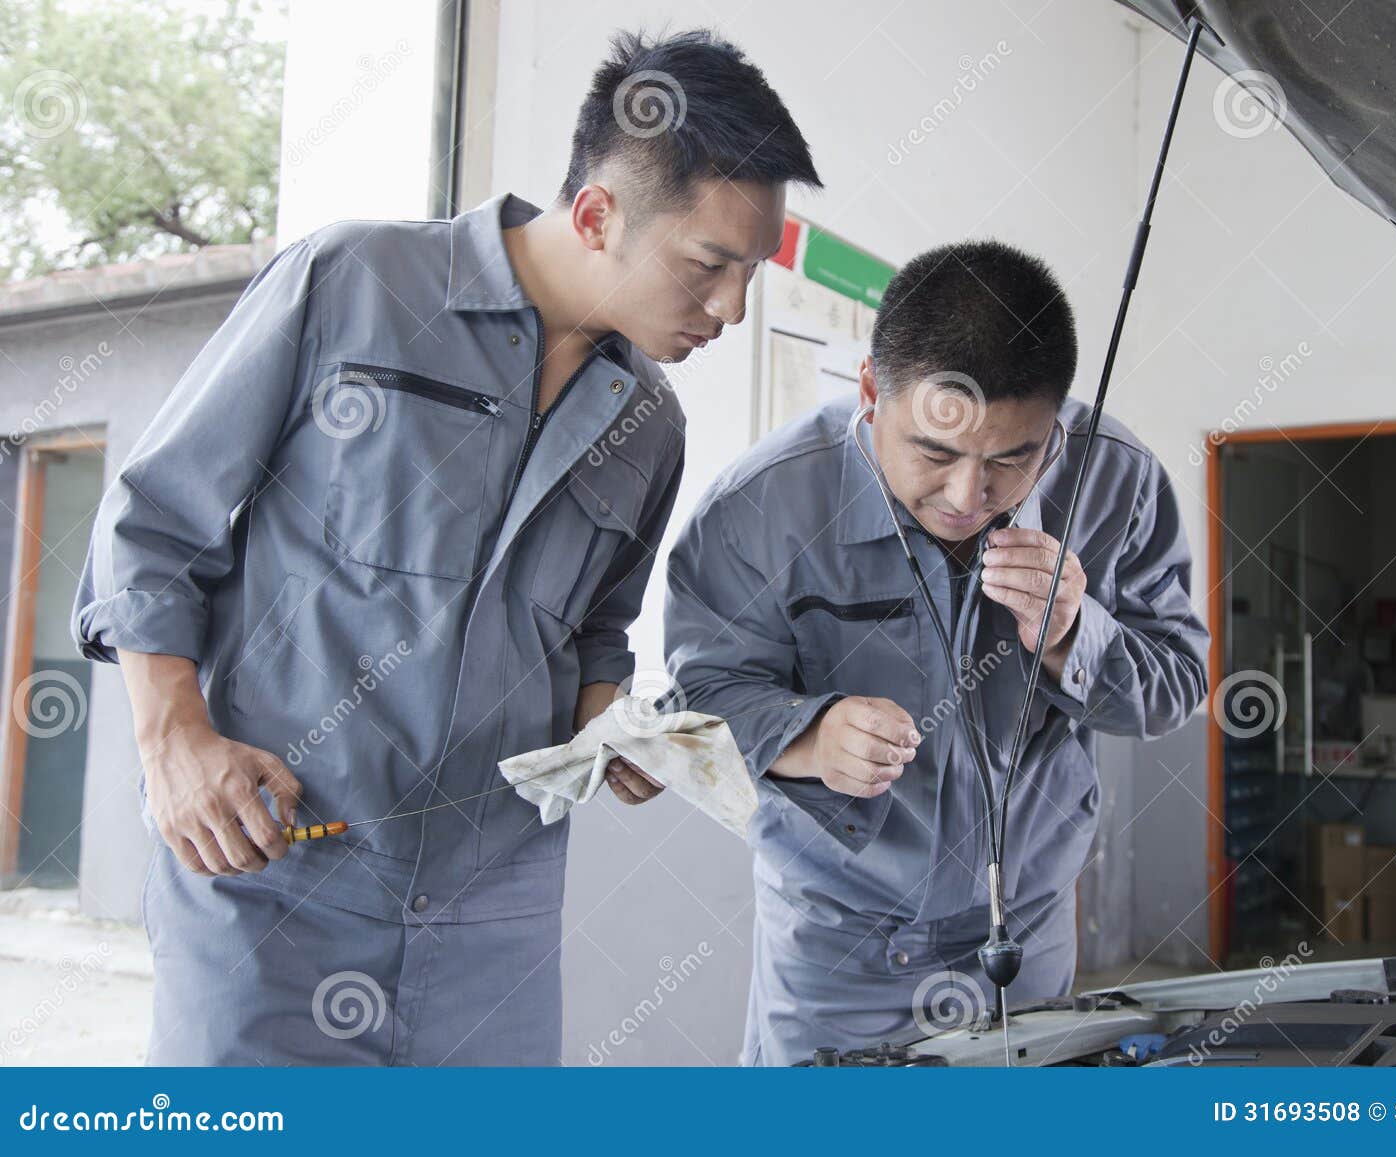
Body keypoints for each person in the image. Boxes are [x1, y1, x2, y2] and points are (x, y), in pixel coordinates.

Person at [72, 28, 820, 1066]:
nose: (732, 308)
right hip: (279, 883)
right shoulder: (355, 283)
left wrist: (621, 735)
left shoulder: (649, 424)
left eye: (752, 275)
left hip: (490, 920)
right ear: (599, 213)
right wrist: (173, 743)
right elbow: (151, 521)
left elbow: (596, 634)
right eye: (711, 265)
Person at [664, 239, 1208, 1065]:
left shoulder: (1116, 482)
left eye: (1011, 460)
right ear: (873, 393)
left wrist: (1075, 631)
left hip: (1026, 943)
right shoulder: (761, 508)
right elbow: (697, 707)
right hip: (839, 955)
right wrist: (809, 736)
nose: (966, 497)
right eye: (936, 452)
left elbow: (1174, 687)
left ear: (1054, 426)